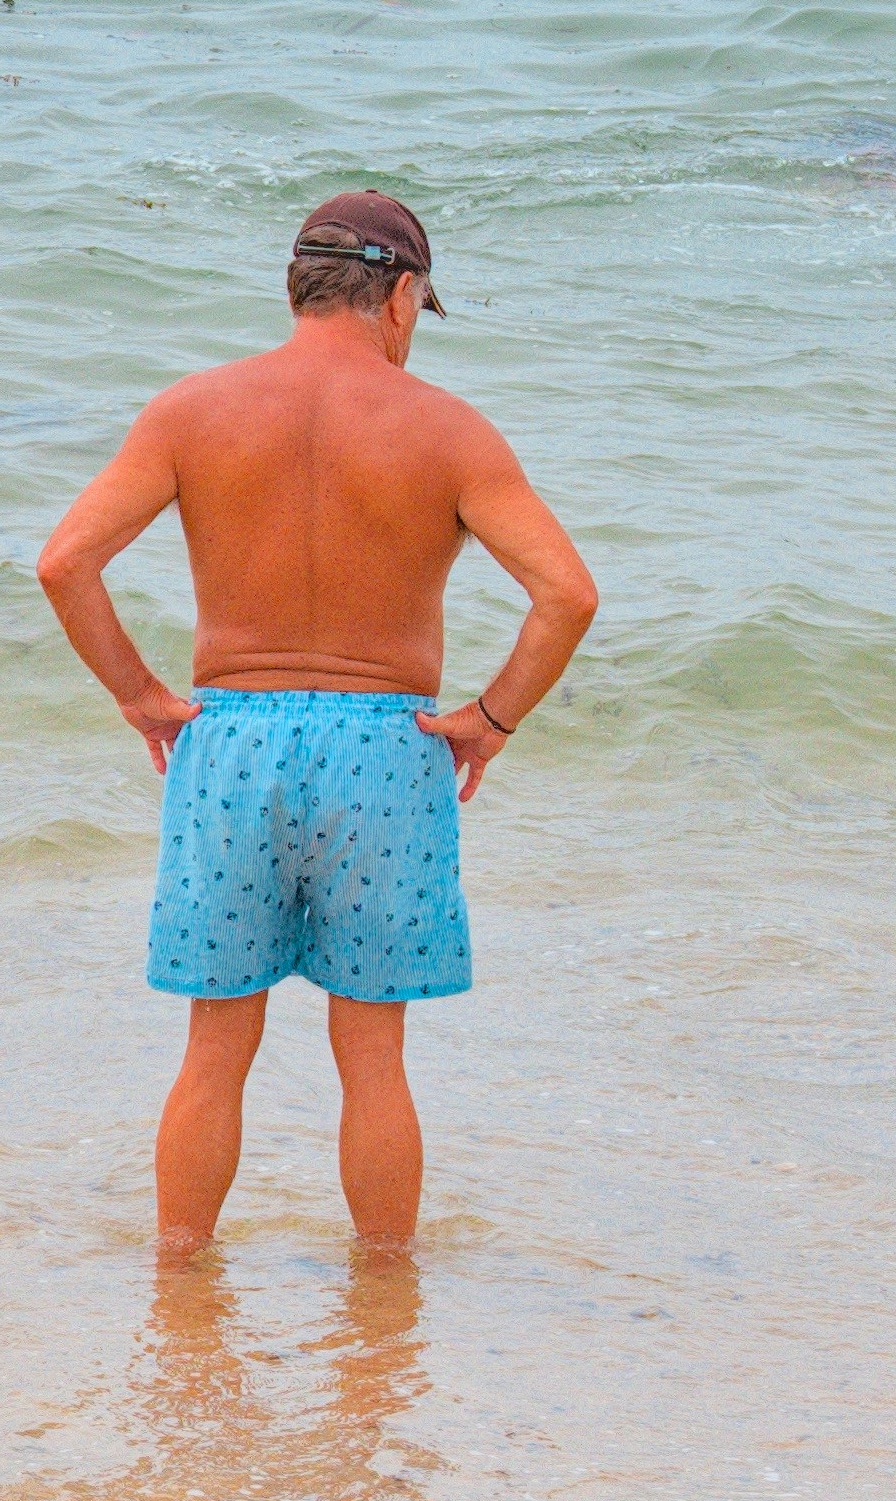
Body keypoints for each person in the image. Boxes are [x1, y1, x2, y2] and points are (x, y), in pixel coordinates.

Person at [33, 191, 595, 1254]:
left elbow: (64, 562)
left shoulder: (192, 410)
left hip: (229, 741)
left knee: (214, 1049)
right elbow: (567, 594)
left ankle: (179, 1274)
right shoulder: (449, 430)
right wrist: (489, 719)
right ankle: (386, 1297)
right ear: (401, 295)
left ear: (298, 286)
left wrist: (141, 695)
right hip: (387, 750)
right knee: (374, 1055)